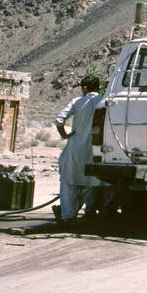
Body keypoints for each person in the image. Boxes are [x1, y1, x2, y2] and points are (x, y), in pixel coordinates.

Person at [54, 75, 103, 222]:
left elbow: (59, 120)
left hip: (75, 146)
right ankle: (89, 211)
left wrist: (65, 135)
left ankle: (68, 215)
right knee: (91, 181)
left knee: (69, 181)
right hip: (95, 147)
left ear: (85, 88)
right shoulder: (104, 101)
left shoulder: (77, 102)